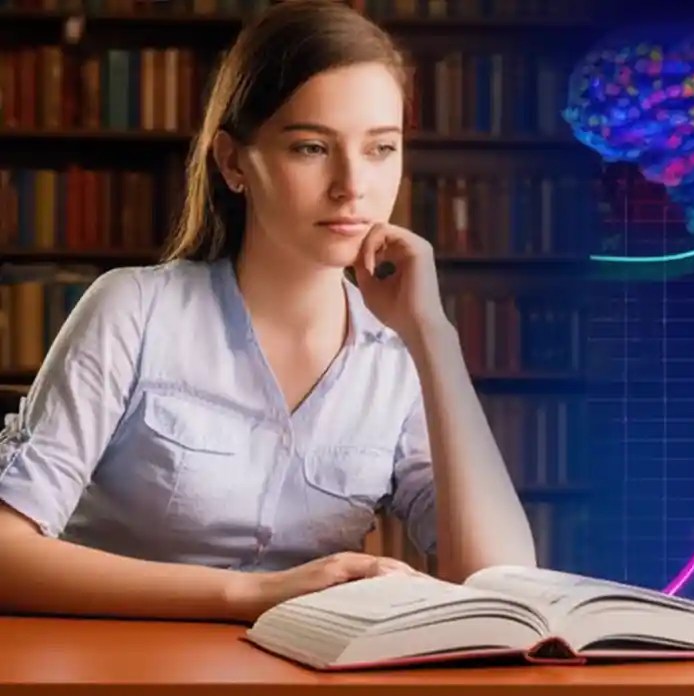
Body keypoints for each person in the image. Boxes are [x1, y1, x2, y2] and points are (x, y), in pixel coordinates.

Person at [0, 0, 536, 624]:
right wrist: (249, 595)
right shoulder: (134, 311)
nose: (351, 185)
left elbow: (500, 585)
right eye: (312, 148)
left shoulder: (396, 358)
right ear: (234, 163)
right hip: (113, 681)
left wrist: (434, 337)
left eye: (381, 148)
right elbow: (8, 553)